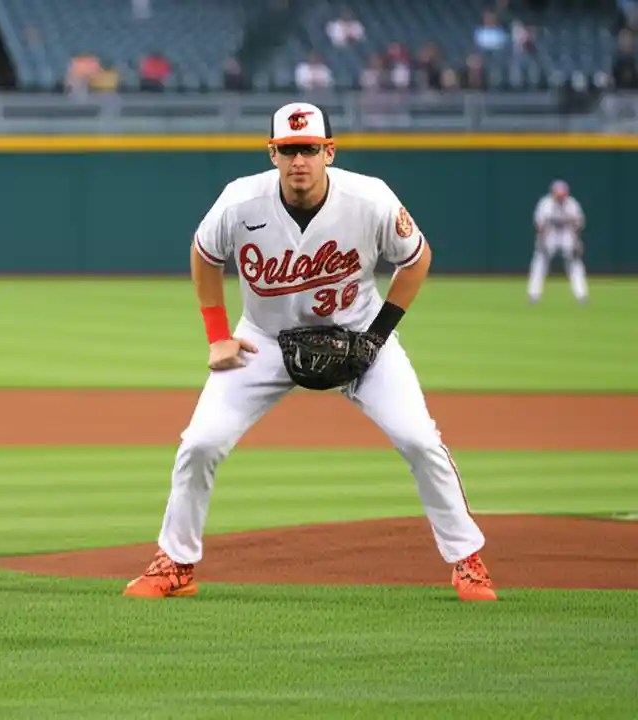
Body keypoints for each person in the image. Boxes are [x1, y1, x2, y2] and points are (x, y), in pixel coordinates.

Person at [122, 102, 497, 603]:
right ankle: (177, 563)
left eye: (310, 149)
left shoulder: (370, 199)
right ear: (272, 153)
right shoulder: (240, 202)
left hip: (360, 335)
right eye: (290, 150)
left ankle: (467, 561)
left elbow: (417, 259)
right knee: (200, 443)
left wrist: (377, 337)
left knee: (419, 440)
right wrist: (217, 335)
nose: (300, 160)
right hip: (265, 340)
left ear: (330, 152)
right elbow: (204, 254)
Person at [528, 179, 588, 304]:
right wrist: (542, 243)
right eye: (558, 194)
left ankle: (581, 294)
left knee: (575, 262)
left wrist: (577, 243)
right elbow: (541, 225)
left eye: (563, 194)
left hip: (567, 234)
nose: (560, 197)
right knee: (539, 261)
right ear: (553, 193)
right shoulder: (545, 203)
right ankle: (534, 294)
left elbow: (578, 224)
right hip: (550, 234)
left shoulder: (572, 204)